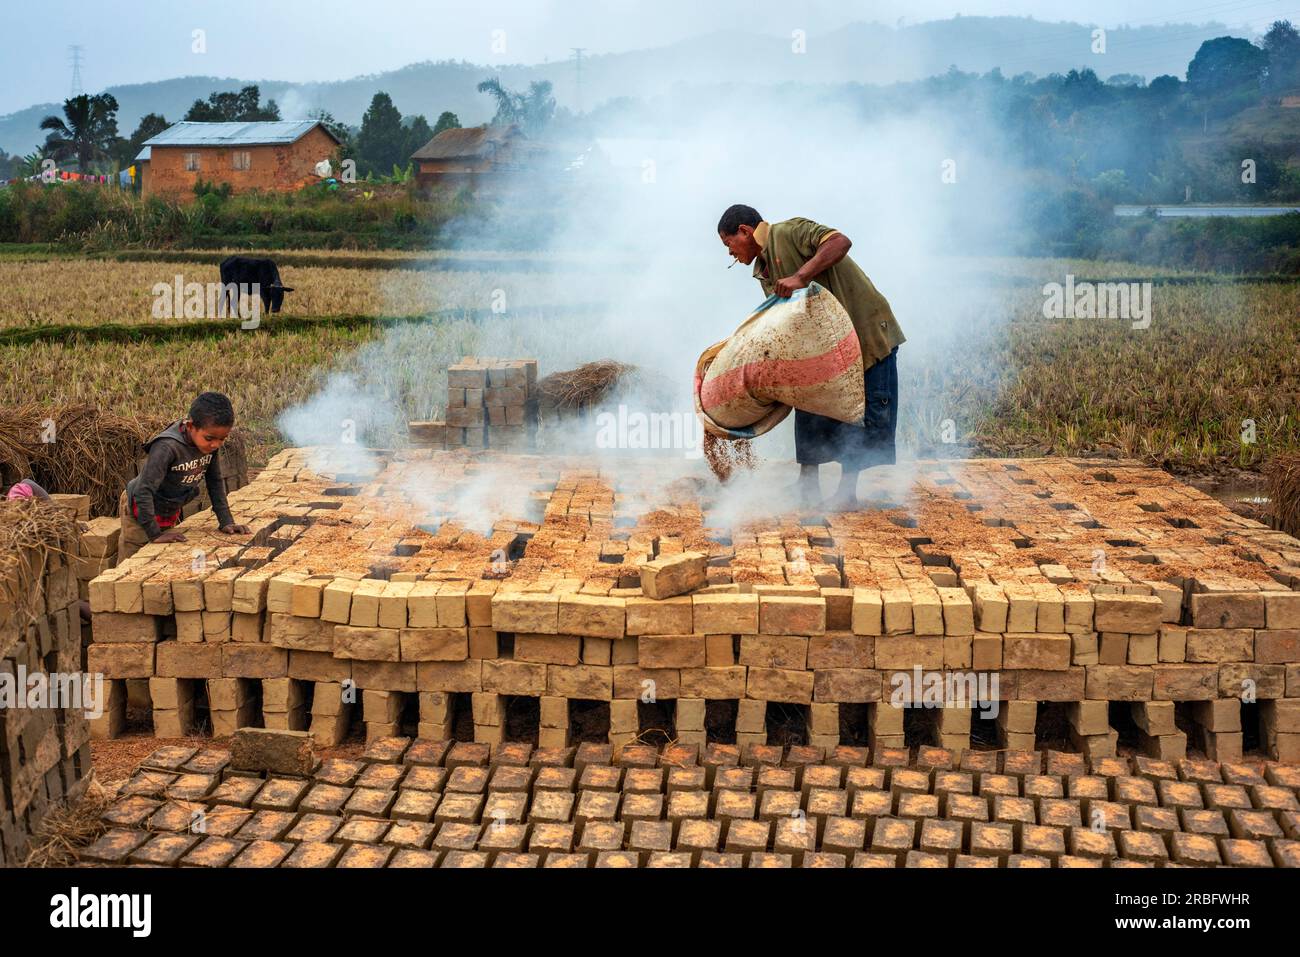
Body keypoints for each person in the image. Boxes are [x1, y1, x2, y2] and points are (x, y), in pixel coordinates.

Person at [718, 204, 906, 508]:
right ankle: (807, 486)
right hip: (823, 346)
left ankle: (847, 494)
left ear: (744, 231)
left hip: (865, 333)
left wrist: (801, 276)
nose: (729, 253)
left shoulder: (790, 231)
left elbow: (840, 242)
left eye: (729, 244)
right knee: (807, 399)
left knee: (858, 410)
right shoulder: (764, 270)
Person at [119, 391, 250, 563]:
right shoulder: (167, 447)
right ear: (190, 427)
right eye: (210, 438)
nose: (216, 444)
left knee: (160, 561)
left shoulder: (209, 446)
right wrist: (154, 533)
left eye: (222, 439)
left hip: (167, 509)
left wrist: (226, 521)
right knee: (132, 565)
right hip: (139, 510)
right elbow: (144, 490)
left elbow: (215, 481)